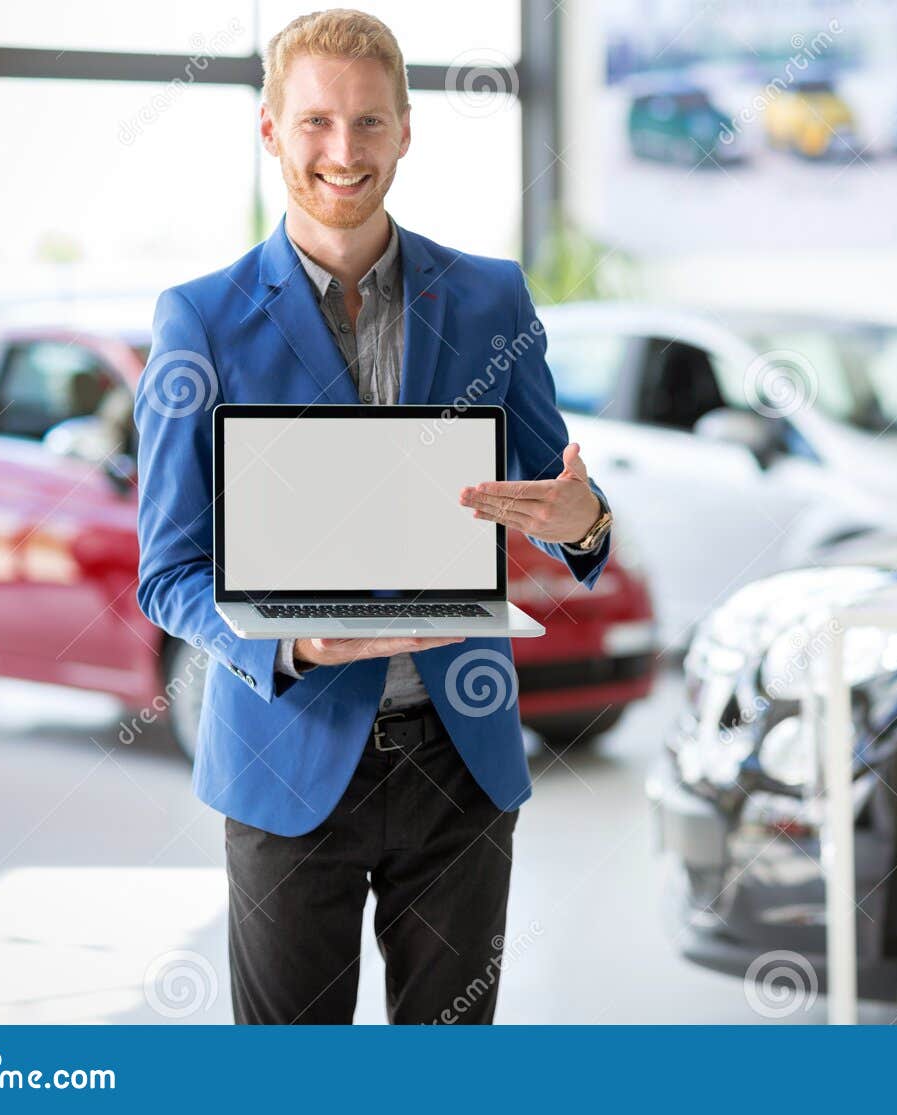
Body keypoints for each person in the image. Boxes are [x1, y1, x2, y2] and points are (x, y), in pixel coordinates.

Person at [132, 8, 613, 1025]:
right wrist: (288, 641)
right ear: (270, 130)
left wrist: (580, 520)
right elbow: (168, 571)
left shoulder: (488, 299)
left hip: (457, 759)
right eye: (314, 123)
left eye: (368, 123)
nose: (342, 152)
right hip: (284, 752)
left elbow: (555, 498)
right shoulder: (202, 319)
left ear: (404, 130)